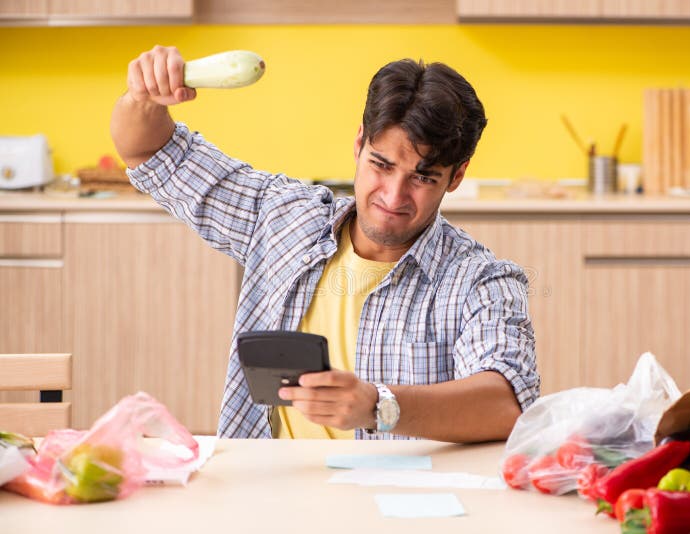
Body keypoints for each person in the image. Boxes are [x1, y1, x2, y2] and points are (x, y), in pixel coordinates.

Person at [111, 45, 540, 442]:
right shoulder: (282, 219)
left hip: (395, 509)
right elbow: (149, 152)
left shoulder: (480, 279)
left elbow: (507, 405)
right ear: (359, 144)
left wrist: (379, 406)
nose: (393, 196)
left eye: (423, 178)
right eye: (381, 165)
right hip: (270, 494)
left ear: (456, 176)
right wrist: (144, 97)